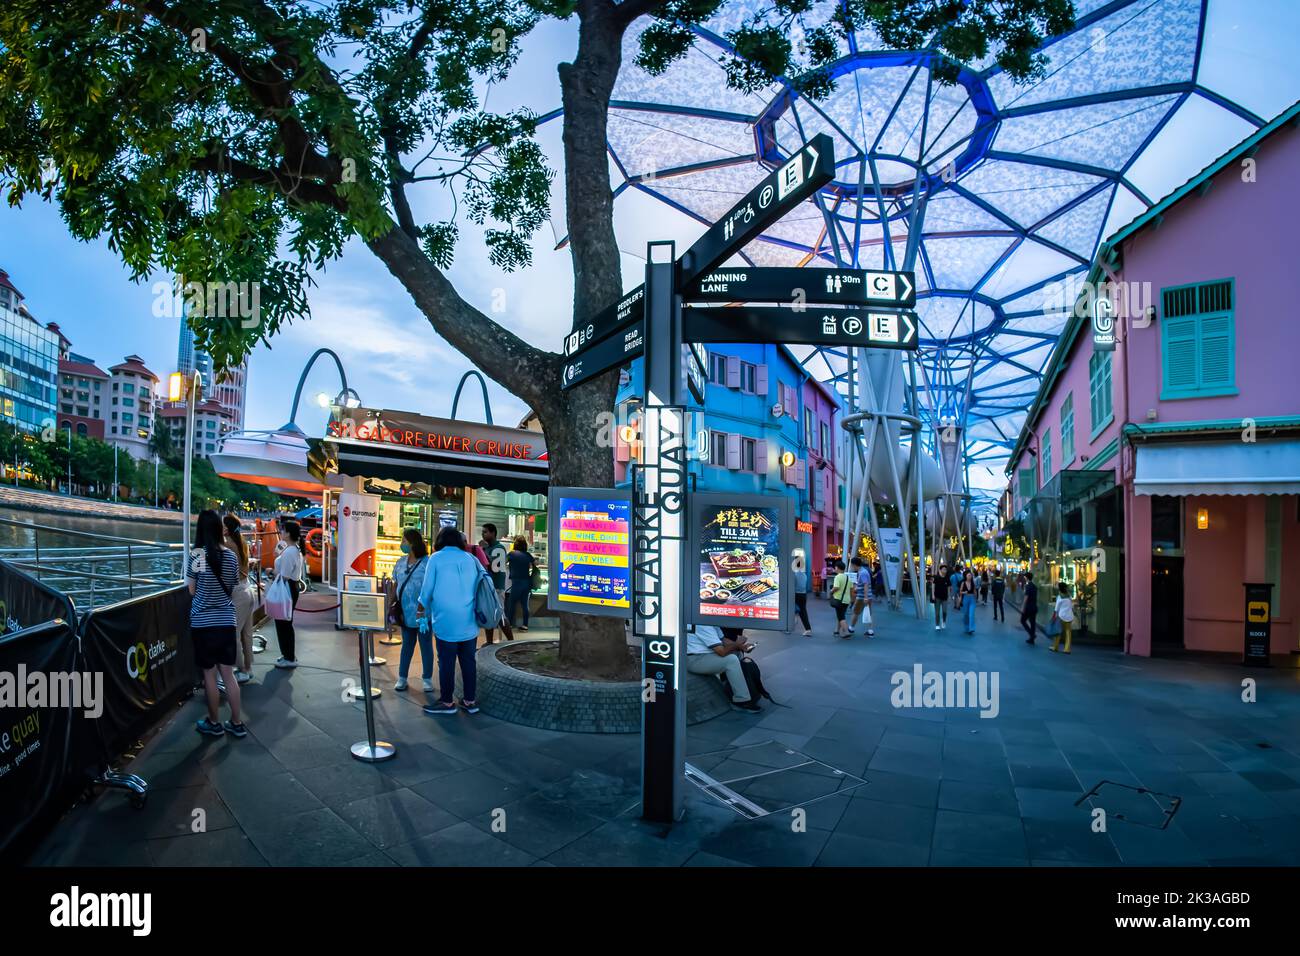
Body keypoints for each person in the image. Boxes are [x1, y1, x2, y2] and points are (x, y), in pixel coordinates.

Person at [189, 510, 247, 738]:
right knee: (228, 674)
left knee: (210, 676)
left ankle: (214, 722)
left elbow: (192, 590)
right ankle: (237, 722)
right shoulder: (231, 556)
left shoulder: (198, 555)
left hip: (203, 623)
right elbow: (232, 586)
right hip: (226, 621)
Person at [416, 526, 484, 715]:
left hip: (446, 620)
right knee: (468, 661)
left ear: (440, 540)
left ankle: (447, 703)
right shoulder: (471, 558)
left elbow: (427, 589)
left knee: (446, 662)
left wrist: (420, 609)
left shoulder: (436, 558)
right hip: (469, 620)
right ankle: (470, 702)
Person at [392, 528, 432, 693]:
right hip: (405, 612)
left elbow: (431, 587)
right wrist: (391, 602)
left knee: (425, 645)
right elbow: (395, 583)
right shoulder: (400, 562)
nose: (402, 544)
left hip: (423, 613)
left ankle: (427, 679)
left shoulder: (427, 563)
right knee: (407, 645)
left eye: (404, 541)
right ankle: (402, 677)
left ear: (413, 543)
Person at [684, 624, 759, 712]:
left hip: (706, 655)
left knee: (736, 653)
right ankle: (741, 700)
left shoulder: (710, 622)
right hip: (694, 659)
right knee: (731, 660)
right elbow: (721, 651)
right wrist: (738, 644)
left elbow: (723, 639)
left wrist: (742, 647)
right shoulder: (702, 625)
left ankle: (731, 687)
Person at [222, 514, 255, 684]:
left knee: (233, 633)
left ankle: (242, 668)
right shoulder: (242, 541)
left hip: (238, 594)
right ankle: (248, 668)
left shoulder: (227, 545)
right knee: (247, 634)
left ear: (226, 529)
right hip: (247, 588)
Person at [271, 519, 304, 668]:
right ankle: (288, 655)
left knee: (283, 623)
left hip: (286, 587)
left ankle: (289, 657)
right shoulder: (294, 549)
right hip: (291, 587)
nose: (281, 532)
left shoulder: (290, 551)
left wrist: (271, 572)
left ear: (289, 533)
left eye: (283, 530)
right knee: (285, 622)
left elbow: (284, 575)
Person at [480, 523, 509, 645]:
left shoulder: (499, 548)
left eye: (485, 532)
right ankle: (489, 641)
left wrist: (483, 551)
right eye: (482, 532)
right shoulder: (487, 548)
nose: (483, 534)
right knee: (489, 613)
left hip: (497, 586)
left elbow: (494, 567)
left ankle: (511, 641)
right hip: (488, 586)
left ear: (493, 533)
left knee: (500, 616)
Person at [505, 536, 536, 631]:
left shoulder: (512, 554)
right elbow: (535, 564)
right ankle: (525, 625)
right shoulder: (527, 555)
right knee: (525, 605)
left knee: (512, 603)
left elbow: (503, 562)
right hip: (526, 582)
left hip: (516, 582)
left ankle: (509, 624)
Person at [848, 556, 874, 637]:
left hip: (862, 596)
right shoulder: (863, 571)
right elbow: (864, 584)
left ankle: (851, 628)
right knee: (869, 613)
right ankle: (870, 631)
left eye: (852, 565)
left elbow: (865, 584)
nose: (852, 567)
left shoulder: (862, 573)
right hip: (868, 596)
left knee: (855, 612)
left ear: (855, 565)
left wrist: (865, 597)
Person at [828, 560, 852, 637]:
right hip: (846, 600)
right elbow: (852, 588)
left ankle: (846, 632)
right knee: (841, 615)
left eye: (835, 567)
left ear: (837, 568)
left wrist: (831, 591)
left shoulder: (837, 577)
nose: (835, 568)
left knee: (841, 617)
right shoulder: (848, 577)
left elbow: (836, 587)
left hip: (839, 599)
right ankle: (837, 631)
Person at [791, 550, 812, 637]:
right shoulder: (804, 575)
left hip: (796, 594)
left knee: (790, 610)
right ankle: (808, 629)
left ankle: (789, 627)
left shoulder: (795, 574)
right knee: (803, 612)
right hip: (803, 594)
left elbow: (793, 586)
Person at [1051, 582, 1075, 654]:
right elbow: (1072, 606)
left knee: (1058, 632)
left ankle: (1055, 647)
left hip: (1061, 616)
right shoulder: (1069, 596)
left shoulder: (1059, 597)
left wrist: (1054, 615)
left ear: (1059, 588)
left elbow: (1056, 608)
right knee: (1068, 633)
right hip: (1069, 616)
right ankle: (1067, 649)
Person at [1020, 572, 1039, 644]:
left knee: (1023, 620)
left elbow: (1026, 598)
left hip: (1028, 607)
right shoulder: (1034, 586)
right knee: (1032, 622)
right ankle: (1032, 639)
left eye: (1025, 577)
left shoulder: (1028, 587)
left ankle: (1032, 634)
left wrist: (1023, 607)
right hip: (1034, 606)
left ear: (1027, 578)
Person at [932, 563, 950, 630]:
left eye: (945, 569)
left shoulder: (947, 578)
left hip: (945, 597)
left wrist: (949, 596)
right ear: (940, 570)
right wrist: (933, 595)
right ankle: (937, 624)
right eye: (944, 569)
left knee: (945, 611)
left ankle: (944, 621)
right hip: (937, 597)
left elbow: (948, 587)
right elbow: (933, 586)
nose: (945, 570)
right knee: (937, 612)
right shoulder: (936, 577)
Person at [959, 569, 977, 635]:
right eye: (969, 575)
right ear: (966, 576)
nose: (970, 576)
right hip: (965, 599)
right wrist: (964, 592)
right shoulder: (963, 583)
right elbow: (960, 592)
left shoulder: (973, 583)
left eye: (971, 575)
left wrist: (976, 599)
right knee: (966, 614)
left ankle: (971, 628)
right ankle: (966, 627)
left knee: (971, 614)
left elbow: (975, 591)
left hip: (972, 599)